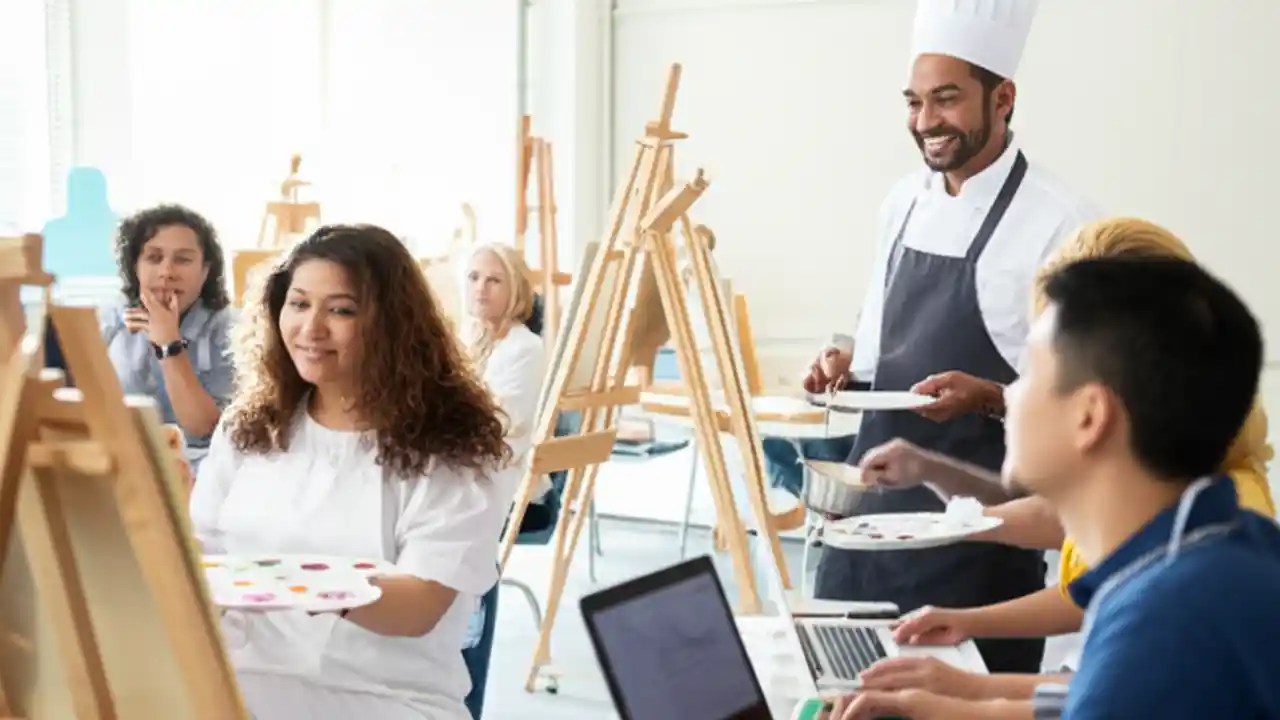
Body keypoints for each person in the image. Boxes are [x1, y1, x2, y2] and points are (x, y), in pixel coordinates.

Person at [842, 218, 1275, 708]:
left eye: (1029, 371)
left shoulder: (1167, 618)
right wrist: (968, 699)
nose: (1008, 394)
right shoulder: (1201, 549)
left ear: (1091, 414)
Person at [806, 0, 1101, 673]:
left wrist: (990, 397)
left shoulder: (1063, 224)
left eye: (945, 100)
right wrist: (842, 361)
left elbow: (1082, 403)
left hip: (978, 541)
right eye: (913, 101)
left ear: (1003, 97)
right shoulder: (901, 201)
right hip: (868, 526)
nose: (924, 121)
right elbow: (876, 345)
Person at [189, 224, 515, 719]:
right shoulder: (249, 425)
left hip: (382, 698)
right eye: (298, 304)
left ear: (391, 325)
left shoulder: (451, 449)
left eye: (341, 310)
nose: (311, 328)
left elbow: (420, 606)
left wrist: (302, 584)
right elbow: (202, 554)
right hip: (238, 687)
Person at [459, 242, 547, 718]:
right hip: (467, 471)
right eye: (473, 277)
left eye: (493, 280)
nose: (481, 288)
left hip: (503, 479)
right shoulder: (468, 339)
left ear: (516, 290)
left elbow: (491, 427)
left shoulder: (524, 348)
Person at [101, 203, 235, 471]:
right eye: (153, 258)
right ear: (135, 267)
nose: (167, 272)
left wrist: (168, 344)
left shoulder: (230, 330)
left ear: (205, 271)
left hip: (202, 472)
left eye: (183, 259)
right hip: (121, 464)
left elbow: (204, 430)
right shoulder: (112, 318)